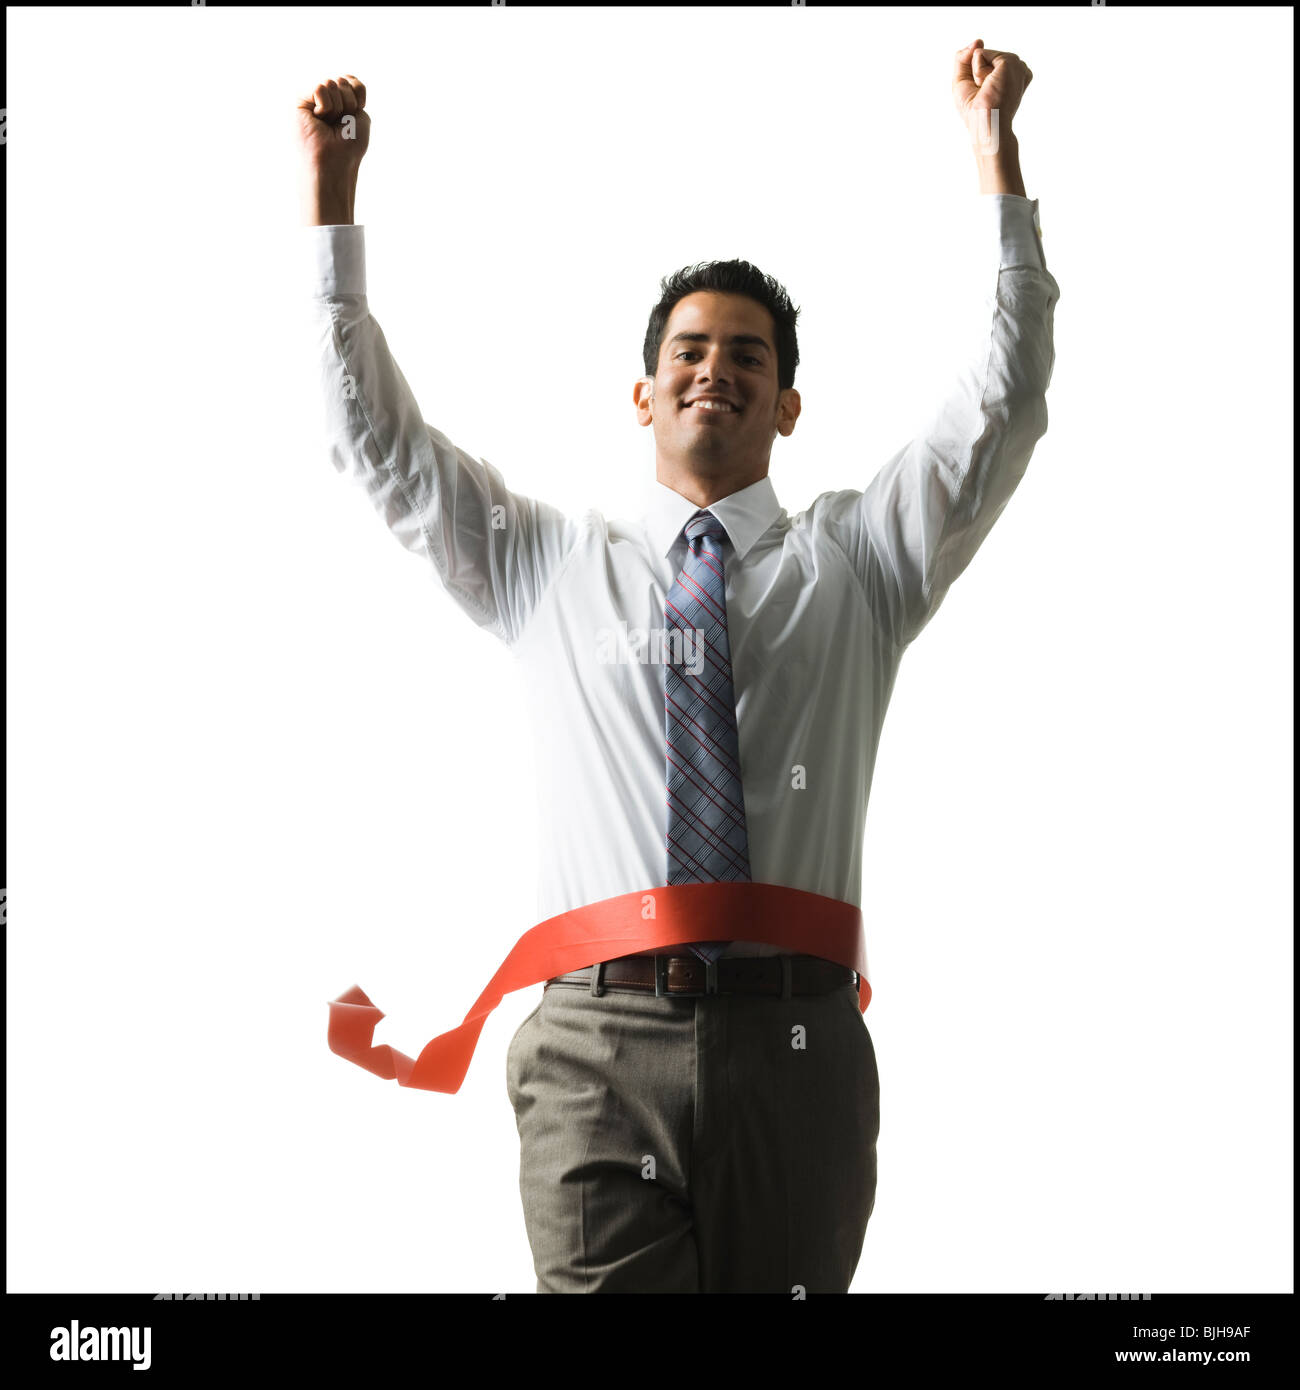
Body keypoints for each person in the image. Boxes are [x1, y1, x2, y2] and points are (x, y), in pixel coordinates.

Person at [297, 39, 1058, 1293]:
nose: (718, 368)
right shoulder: (540, 564)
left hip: (799, 1048)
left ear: (788, 406)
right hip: (594, 1048)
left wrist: (997, 164)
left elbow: (1002, 403)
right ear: (643, 396)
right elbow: (378, 442)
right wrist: (332, 209)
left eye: (750, 355)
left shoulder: (859, 564)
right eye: (691, 351)